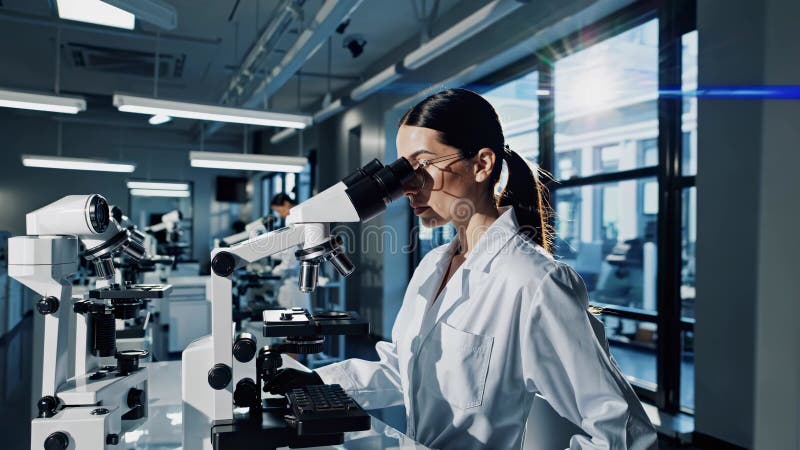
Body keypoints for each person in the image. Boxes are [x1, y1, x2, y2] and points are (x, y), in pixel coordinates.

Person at [265, 89, 657, 449]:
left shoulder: (534, 282)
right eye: (402, 169)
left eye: (423, 165)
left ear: (482, 164)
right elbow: (404, 369)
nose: (408, 186)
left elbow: (624, 434)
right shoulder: (432, 265)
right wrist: (318, 380)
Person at [269, 192, 310, 311]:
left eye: (279, 210)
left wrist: (277, 270)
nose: (280, 215)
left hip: (295, 276)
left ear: (286, 203)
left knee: (296, 312)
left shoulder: (292, 218)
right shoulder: (299, 213)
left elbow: (291, 257)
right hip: (298, 273)